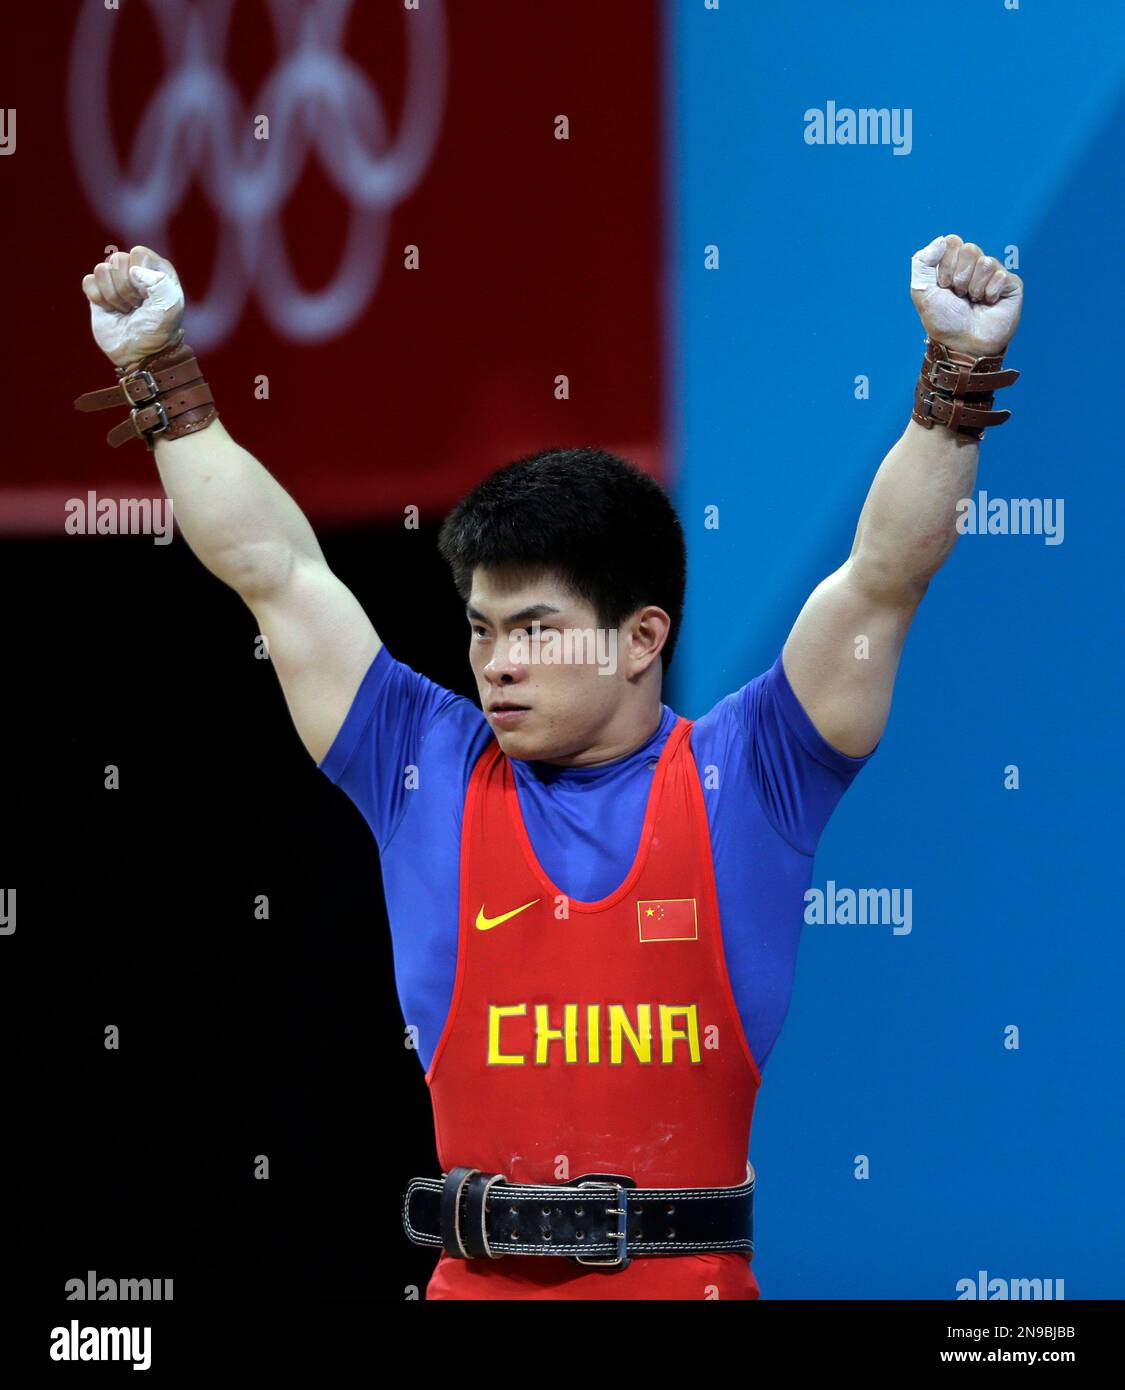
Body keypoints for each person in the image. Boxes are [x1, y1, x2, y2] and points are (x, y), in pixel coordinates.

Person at [77, 234, 1023, 1300]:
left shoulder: (758, 774)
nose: (496, 664)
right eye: (481, 631)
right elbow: (276, 569)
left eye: (535, 629)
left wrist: (955, 377)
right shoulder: (418, 761)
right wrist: (160, 367)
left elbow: (885, 575)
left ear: (641, 636)